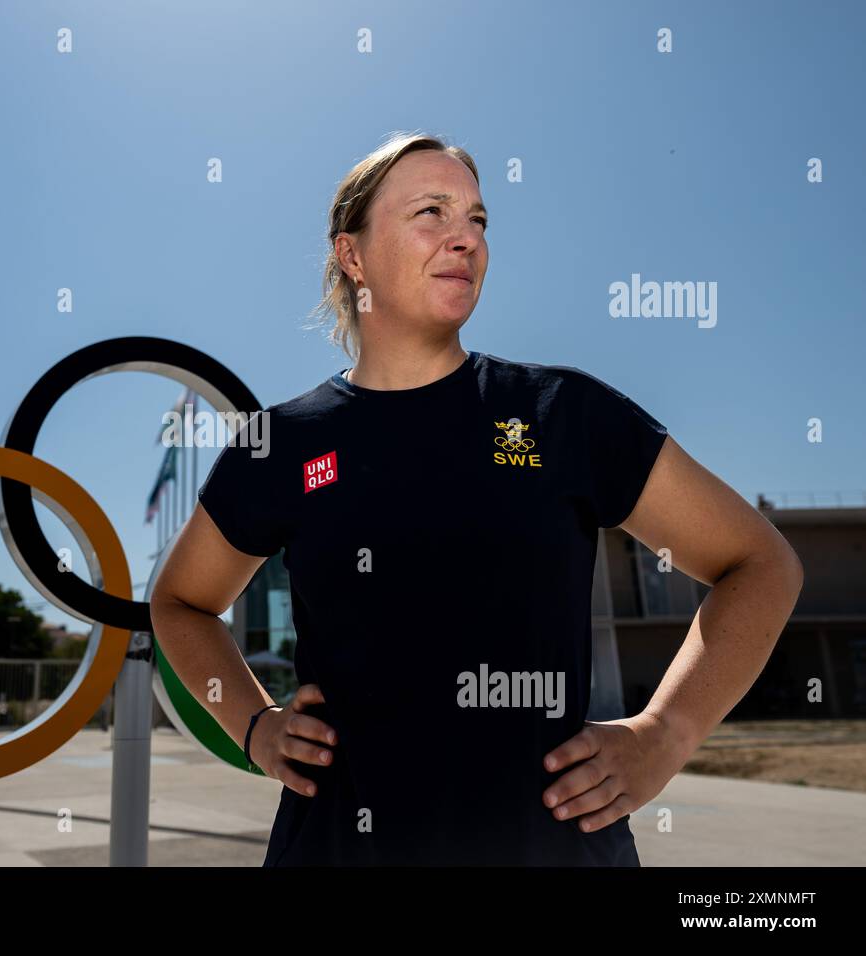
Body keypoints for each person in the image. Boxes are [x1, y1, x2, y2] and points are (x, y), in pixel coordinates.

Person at [149, 132, 804, 866]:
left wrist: (665, 733)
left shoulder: (564, 414)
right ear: (353, 255)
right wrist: (256, 728)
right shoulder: (283, 443)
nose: (466, 238)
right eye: (432, 212)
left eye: (479, 220)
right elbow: (180, 604)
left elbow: (761, 563)